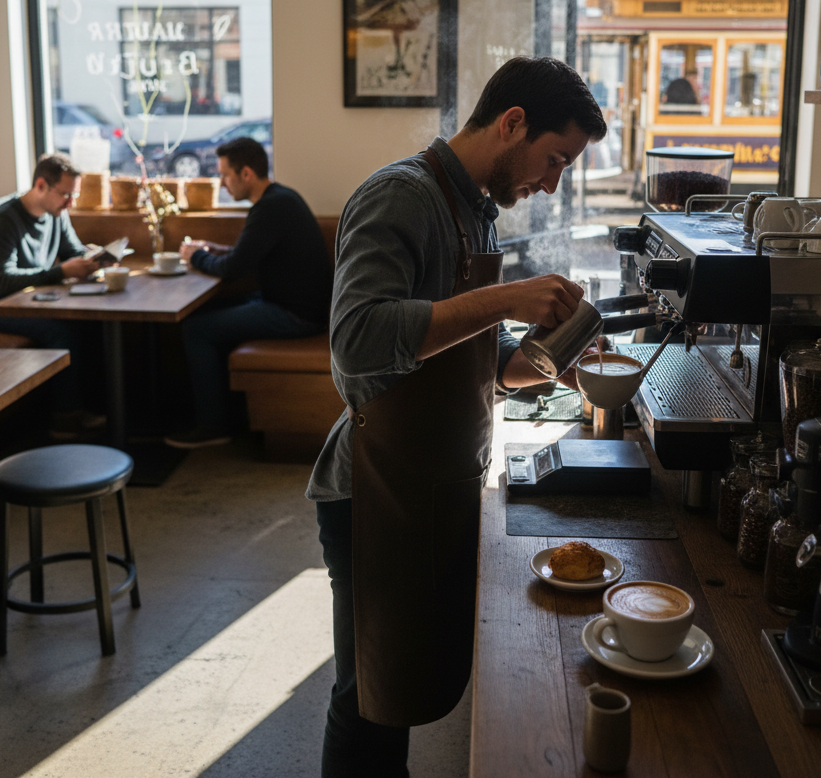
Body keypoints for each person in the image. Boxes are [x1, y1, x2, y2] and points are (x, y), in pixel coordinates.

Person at [306, 55, 608, 776]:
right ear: (512, 124)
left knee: (404, 683)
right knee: (369, 695)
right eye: (555, 158)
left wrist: (541, 360)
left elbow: (462, 355)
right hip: (375, 494)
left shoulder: (473, 207)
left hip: (435, 480)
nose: (552, 181)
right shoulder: (399, 196)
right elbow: (358, 344)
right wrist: (508, 299)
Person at [174, 137, 332, 449]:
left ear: (246, 174)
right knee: (199, 314)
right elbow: (247, 255)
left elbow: (232, 270)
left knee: (195, 330)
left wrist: (195, 256)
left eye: (225, 175)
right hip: (288, 304)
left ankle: (213, 424)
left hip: (296, 316)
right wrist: (219, 250)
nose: (222, 184)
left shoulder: (271, 207)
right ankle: (216, 412)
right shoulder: (280, 198)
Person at [0, 152, 103, 438]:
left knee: (92, 324)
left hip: (31, 300)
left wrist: (96, 257)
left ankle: (93, 408)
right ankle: (65, 421)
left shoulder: (56, 214)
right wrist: (62, 272)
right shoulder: (1, 217)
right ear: (41, 185)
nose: (71, 203)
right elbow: (1, 281)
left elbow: (72, 251)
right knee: (61, 332)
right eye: (66, 194)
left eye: (74, 195)